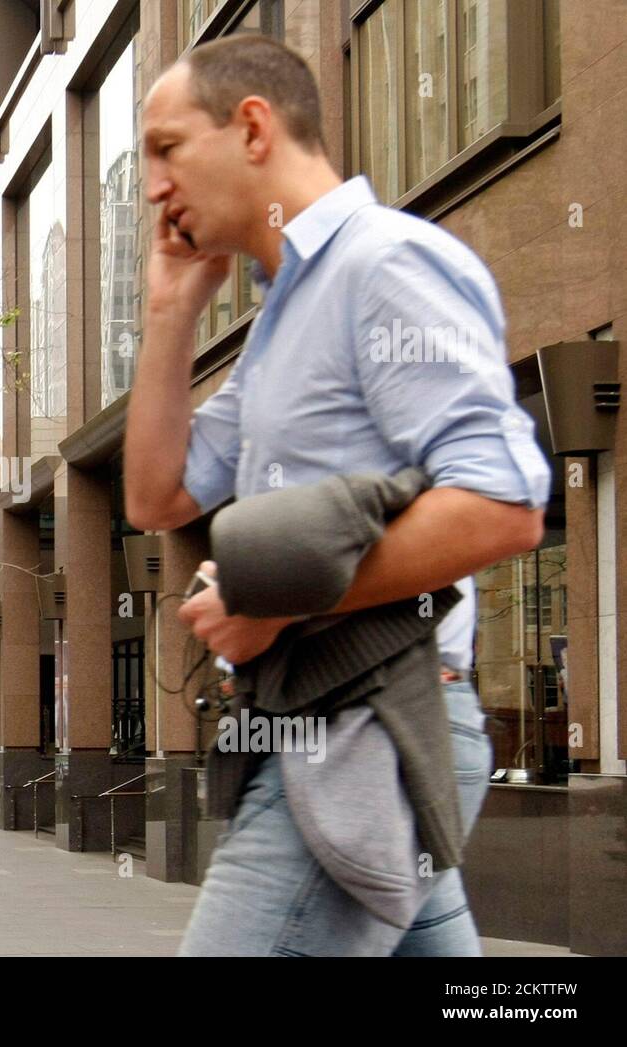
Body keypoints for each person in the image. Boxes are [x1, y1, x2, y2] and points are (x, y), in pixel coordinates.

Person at [123, 34, 550, 956]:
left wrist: (269, 604)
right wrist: (168, 316)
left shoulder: (383, 264)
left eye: (165, 148)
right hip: (346, 724)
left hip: (367, 726)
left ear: (251, 127)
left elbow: (505, 503)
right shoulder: (284, 313)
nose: (153, 186)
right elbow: (157, 496)